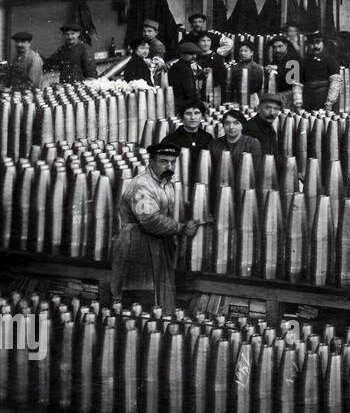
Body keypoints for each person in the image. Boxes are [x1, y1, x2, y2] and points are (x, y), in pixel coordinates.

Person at [106, 143, 200, 312]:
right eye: (164, 161)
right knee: (139, 302)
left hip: (156, 245)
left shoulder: (165, 183)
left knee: (159, 300)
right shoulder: (142, 184)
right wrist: (180, 228)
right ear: (151, 162)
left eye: (172, 162)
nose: (169, 166)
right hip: (136, 247)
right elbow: (149, 220)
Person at [300, 32, 341, 111]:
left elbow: (335, 82)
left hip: (325, 100)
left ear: (323, 44)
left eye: (318, 43)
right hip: (308, 100)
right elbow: (299, 83)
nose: (315, 46)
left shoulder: (330, 60)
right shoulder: (304, 62)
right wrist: (298, 102)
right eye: (312, 43)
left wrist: (330, 102)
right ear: (308, 45)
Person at [212, 108, 262, 172]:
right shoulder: (214, 144)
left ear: (242, 125)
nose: (231, 127)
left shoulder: (253, 143)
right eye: (227, 123)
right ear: (223, 126)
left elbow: (256, 170)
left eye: (236, 123)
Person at [168, 42, 204, 115]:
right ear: (182, 54)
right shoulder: (184, 69)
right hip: (184, 104)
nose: (194, 56)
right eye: (190, 54)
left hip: (175, 102)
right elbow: (190, 90)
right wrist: (201, 106)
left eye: (195, 54)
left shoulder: (176, 66)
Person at [227, 41, 265, 109]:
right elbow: (232, 84)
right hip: (238, 98)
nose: (242, 53)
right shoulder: (235, 68)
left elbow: (259, 86)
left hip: (252, 98)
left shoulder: (257, 68)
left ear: (252, 53)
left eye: (246, 51)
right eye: (240, 51)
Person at [244, 93, 283, 159]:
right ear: (259, 109)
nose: (272, 113)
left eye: (276, 109)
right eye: (267, 108)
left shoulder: (267, 125)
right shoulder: (252, 131)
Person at [194, 33, 228, 102]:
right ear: (198, 42)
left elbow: (222, 78)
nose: (206, 43)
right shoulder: (194, 57)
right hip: (196, 91)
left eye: (208, 40)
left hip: (213, 92)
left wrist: (211, 74)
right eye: (203, 41)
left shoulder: (217, 58)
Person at [269, 35, 303, 101]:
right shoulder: (275, 60)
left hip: (294, 96)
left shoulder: (294, 59)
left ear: (286, 45)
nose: (277, 50)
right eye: (274, 47)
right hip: (279, 95)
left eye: (280, 46)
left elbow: (292, 80)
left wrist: (277, 68)